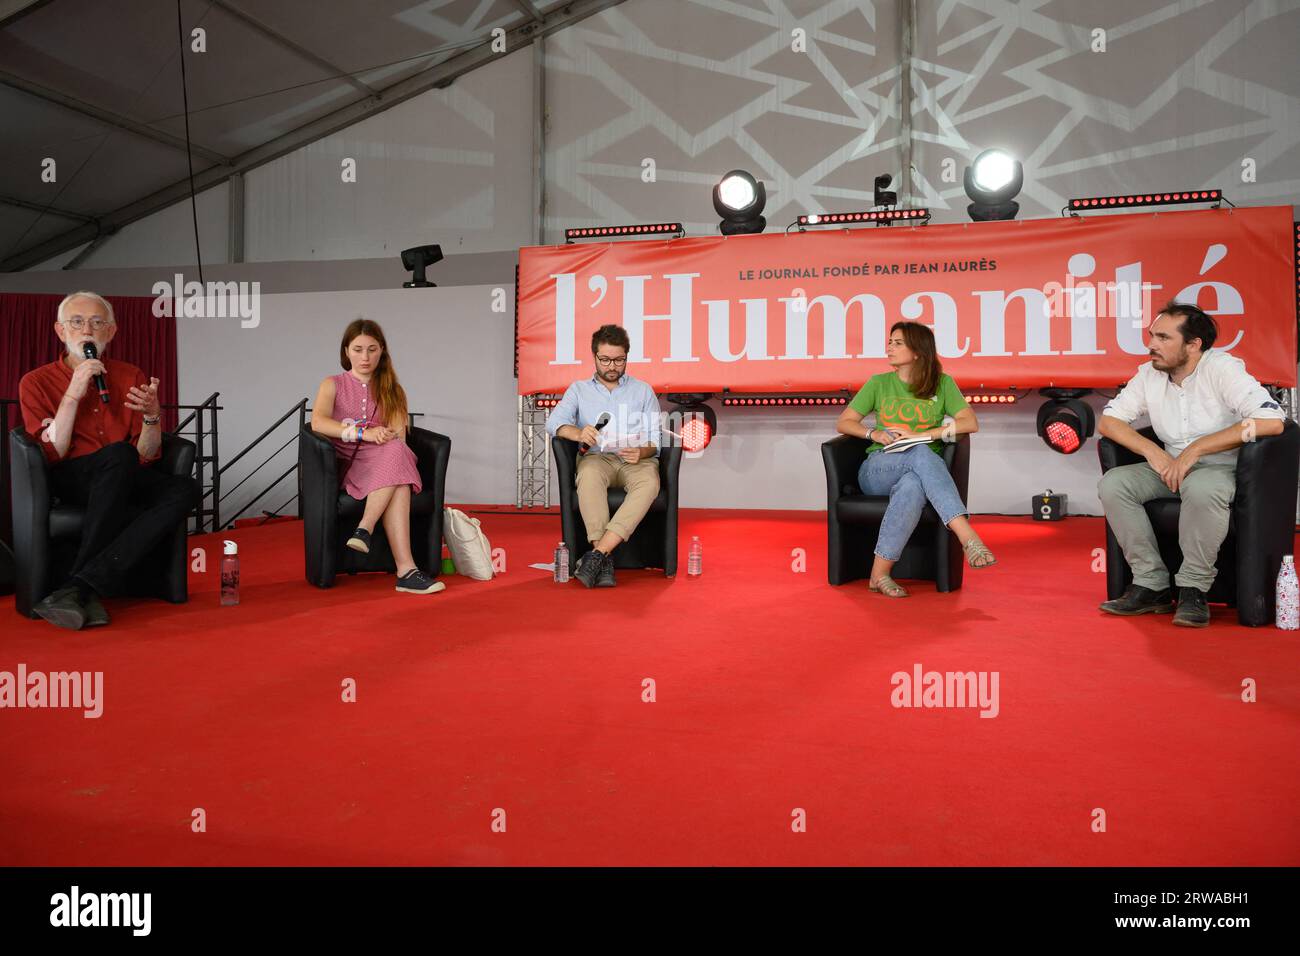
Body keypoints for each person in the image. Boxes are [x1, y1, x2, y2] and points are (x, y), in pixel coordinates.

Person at [1097, 301, 1286, 627]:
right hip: (1168, 466)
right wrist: (1153, 452)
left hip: (1219, 467)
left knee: (1201, 488)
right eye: (1151, 335)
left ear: (1193, 344)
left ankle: (1193, 588)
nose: (1151, 345)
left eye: (1163, 338)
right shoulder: (1148, 374)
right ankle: (1151, 583)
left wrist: (1197, 449)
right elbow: (1110, 422)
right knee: (1114, 484)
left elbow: (1272, 421)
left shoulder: (1222, 369)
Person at [18, 291, 197, 629]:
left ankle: (80, 587)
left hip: (124, 471)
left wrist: (152, 417)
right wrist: (74, 390)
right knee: (119, 453)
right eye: (77, 322)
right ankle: (87, 586)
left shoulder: (130, 375)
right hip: (72, 477)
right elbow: (53, 450)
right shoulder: (36, 381)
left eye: (98, 323)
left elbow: (146, 455)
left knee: (183, 488)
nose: (88, 329)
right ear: (60, 331)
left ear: (111, 333)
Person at [835, 320, 995, 597]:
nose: (890, 348)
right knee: (920, 454)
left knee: (912, 486)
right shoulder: (879, 383)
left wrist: (923, 434)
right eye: (890, 342)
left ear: (918, 351)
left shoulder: (942, 384)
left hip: (920, 472)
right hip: (878, 468)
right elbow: (845, 422)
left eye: (898, 343)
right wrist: (874, 434)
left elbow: (970, 422)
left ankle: (879, 574)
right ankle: (966, 535)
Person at [310, 319, 444, 595]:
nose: (365, 357)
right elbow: (318, 424)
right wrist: (363, 434)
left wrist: (383, 436)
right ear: (346, 351)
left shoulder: (393, 390)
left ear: (382, 350)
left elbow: (400, 438)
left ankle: (365, 532)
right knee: (400, 471)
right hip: (348, 463)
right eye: (358, 349)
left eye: (372, 349)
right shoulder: (332, 384)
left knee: (397, 455)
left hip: (384, 459)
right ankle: (405, 569)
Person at [545, 324, 663, 588]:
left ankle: (597, 556)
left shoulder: (643, 390)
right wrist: (577, 433)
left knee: (650, 483)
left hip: (636, 460)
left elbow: (657, 439)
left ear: (627, 358)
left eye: (619, 360)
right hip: (598, 458)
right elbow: (554, 422)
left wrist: (642, 450)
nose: (612, 366)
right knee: (587, 474)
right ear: (595, 356)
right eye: (606, 359)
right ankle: (603, 557)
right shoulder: (578, 390)